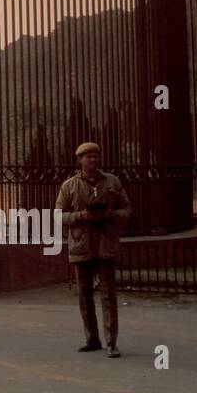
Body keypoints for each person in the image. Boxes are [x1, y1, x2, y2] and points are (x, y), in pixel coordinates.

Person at [55, 142, 132, 357]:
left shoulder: (112, 182)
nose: (93, 160)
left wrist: (111, 215)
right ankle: (92, 339)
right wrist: (81, 216)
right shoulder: (69, 186)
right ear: (80, 160)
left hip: (106, 244)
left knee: (108, 294)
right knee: (84, 296)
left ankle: (111, 341)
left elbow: (127, 209)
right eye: (88, 156)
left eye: (96, 156)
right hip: (81, 245)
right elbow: (58, 215)